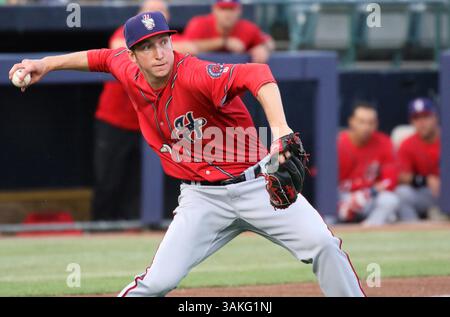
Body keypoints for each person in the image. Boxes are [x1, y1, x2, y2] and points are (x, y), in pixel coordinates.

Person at [9, 11, 365, 297]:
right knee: (156, 283)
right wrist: (46, 64)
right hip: (202, 200)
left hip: (258, 186)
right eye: (147, 47)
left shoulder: (194, 73)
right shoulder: (126, 68)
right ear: (133, 55)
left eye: (163, 42)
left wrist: (281, 128)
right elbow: (100, 57)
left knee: (323, 245)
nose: (159, 53)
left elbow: (257, 72)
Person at [92, 0, 198, 221]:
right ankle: (98, 228)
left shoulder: (168, 42)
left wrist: (154, 50)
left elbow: (192, 48)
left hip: (152, 126)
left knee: (142, 183)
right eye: (148, 14)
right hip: (116, 119)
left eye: (159, 14)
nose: (151, 21)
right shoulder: (126, 34)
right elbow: (117, 46)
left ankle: (136, 227)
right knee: (108, 180)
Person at [337, 103, 399, 226]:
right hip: (344, 197)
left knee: (390, 200)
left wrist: (368, 192)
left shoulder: (384, 142)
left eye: (371, 123)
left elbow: (390, 180)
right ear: (351, 122)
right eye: (361, 122)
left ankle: (369, 228)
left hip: (370, 196)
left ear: (376, 124)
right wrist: (355, 195)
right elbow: (325, 184)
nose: (366, 127)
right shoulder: (339, 143)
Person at [183, 0, 275, 64]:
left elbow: (269, 42)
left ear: (239, 11)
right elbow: (186, 47)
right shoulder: (199, 23)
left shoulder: (247, 27)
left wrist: (263, 48)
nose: (227, 14)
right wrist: (224, 42)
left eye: (231, 9)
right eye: (223, 9)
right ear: (214, 10)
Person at [395, 98, 441, 221]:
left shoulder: (446, 137)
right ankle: (414, 230)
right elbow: (400, 177)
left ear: (435, 117)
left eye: (426, 117)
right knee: (402, 193)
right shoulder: (408, 144)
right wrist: (425, 180)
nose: (422, 122)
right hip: (427, 193)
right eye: (417, 118)